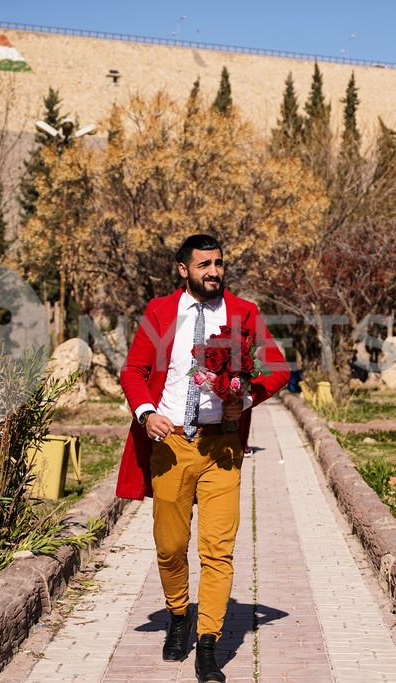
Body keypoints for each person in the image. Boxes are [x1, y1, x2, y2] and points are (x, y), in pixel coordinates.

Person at [118, 234, 289, 683]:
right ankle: (178, 615)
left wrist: (246, 399)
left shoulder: (244, 313)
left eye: (218, 264)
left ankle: (208, 645)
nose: (213, 272)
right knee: (171, 546)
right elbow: (132, 371)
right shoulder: (159, 312)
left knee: (218, 550)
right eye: (203, 265)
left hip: (223, 446)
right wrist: (146, 412)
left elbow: (278, 368)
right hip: (172, 444)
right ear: (183, 269)